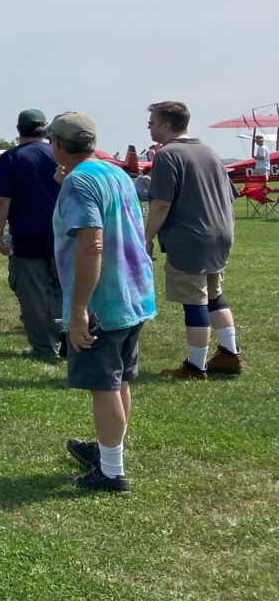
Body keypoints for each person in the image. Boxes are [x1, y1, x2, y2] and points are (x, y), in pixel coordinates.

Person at [48, 112, 156, 494]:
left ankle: (111, 471)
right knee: (119, 378)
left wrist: (78, 311)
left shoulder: (79, 182)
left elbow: (91, 243)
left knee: (104, 385)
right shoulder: (114, 173)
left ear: (58, 144)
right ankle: (111, 452)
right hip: (132, 293)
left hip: (103, 302)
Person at [144, 101, 241, 378]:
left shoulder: (167, 155)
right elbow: (229, 196)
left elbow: (162, 203)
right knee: (214, 295)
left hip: (190, 237)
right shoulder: (209, 151)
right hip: (219, 234)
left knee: (194, 301)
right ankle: (229, 355)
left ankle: (196, 367)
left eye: (152, 122)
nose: (149, 127)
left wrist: (146, 237)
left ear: (166, 125)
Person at [0, 109, 65, 360]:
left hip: (28, 235)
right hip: (64, 234)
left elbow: (0, 200)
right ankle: (66, 341)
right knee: (61, 290)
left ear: (18, 129)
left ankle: (44, 348)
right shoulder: (60, 154)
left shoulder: (12, 158)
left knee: (33, 294)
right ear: (44, 129)